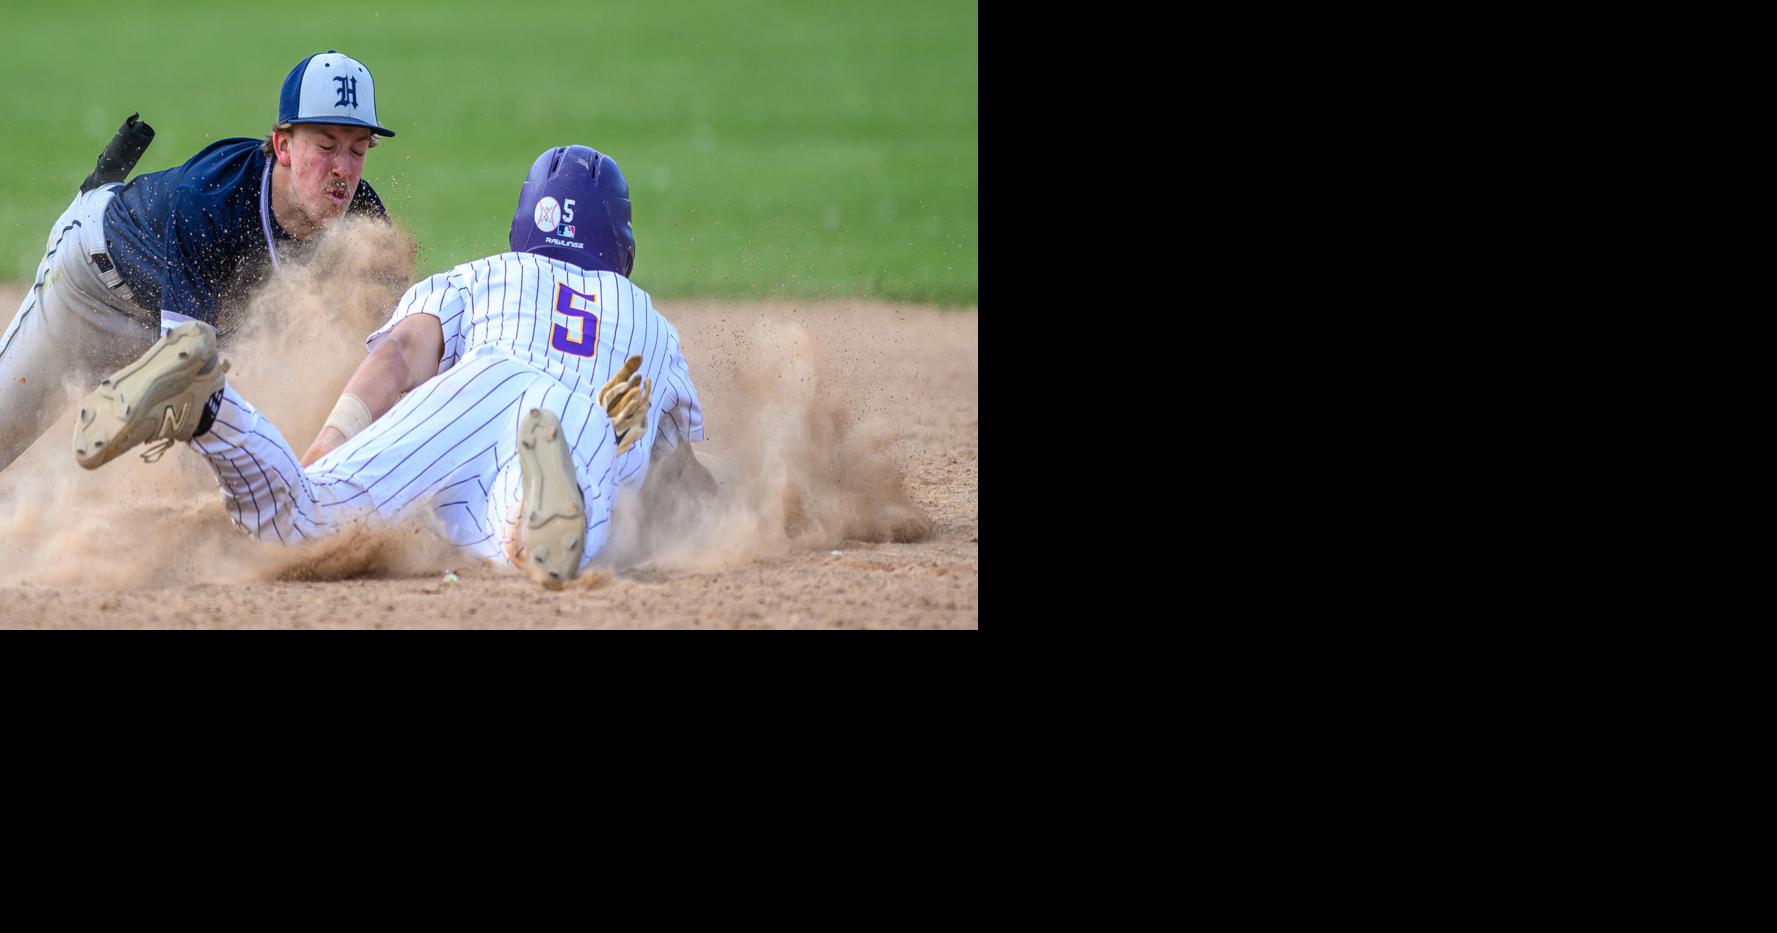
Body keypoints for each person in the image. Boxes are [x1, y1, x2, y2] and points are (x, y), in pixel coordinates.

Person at [70, 145, 708, 588]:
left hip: (475, 387)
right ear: (620, 243)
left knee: (306, 519)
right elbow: (679, 481)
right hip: (578, 415)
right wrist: (735, 509)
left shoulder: (485, 274)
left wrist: (328, 445)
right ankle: (547, 498)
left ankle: (212, 407)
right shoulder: (650, 325)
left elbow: (399, 354)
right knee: (550, 533)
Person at [0, 49, 395, 474]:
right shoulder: (212, 198)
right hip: (90, 293)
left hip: (190, 330)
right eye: (326, 146)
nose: (343, 170)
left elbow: (388, 347)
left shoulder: (362, 223)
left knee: (216, 472)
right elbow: (185, 372)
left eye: (358, 150)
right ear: (283, 146)